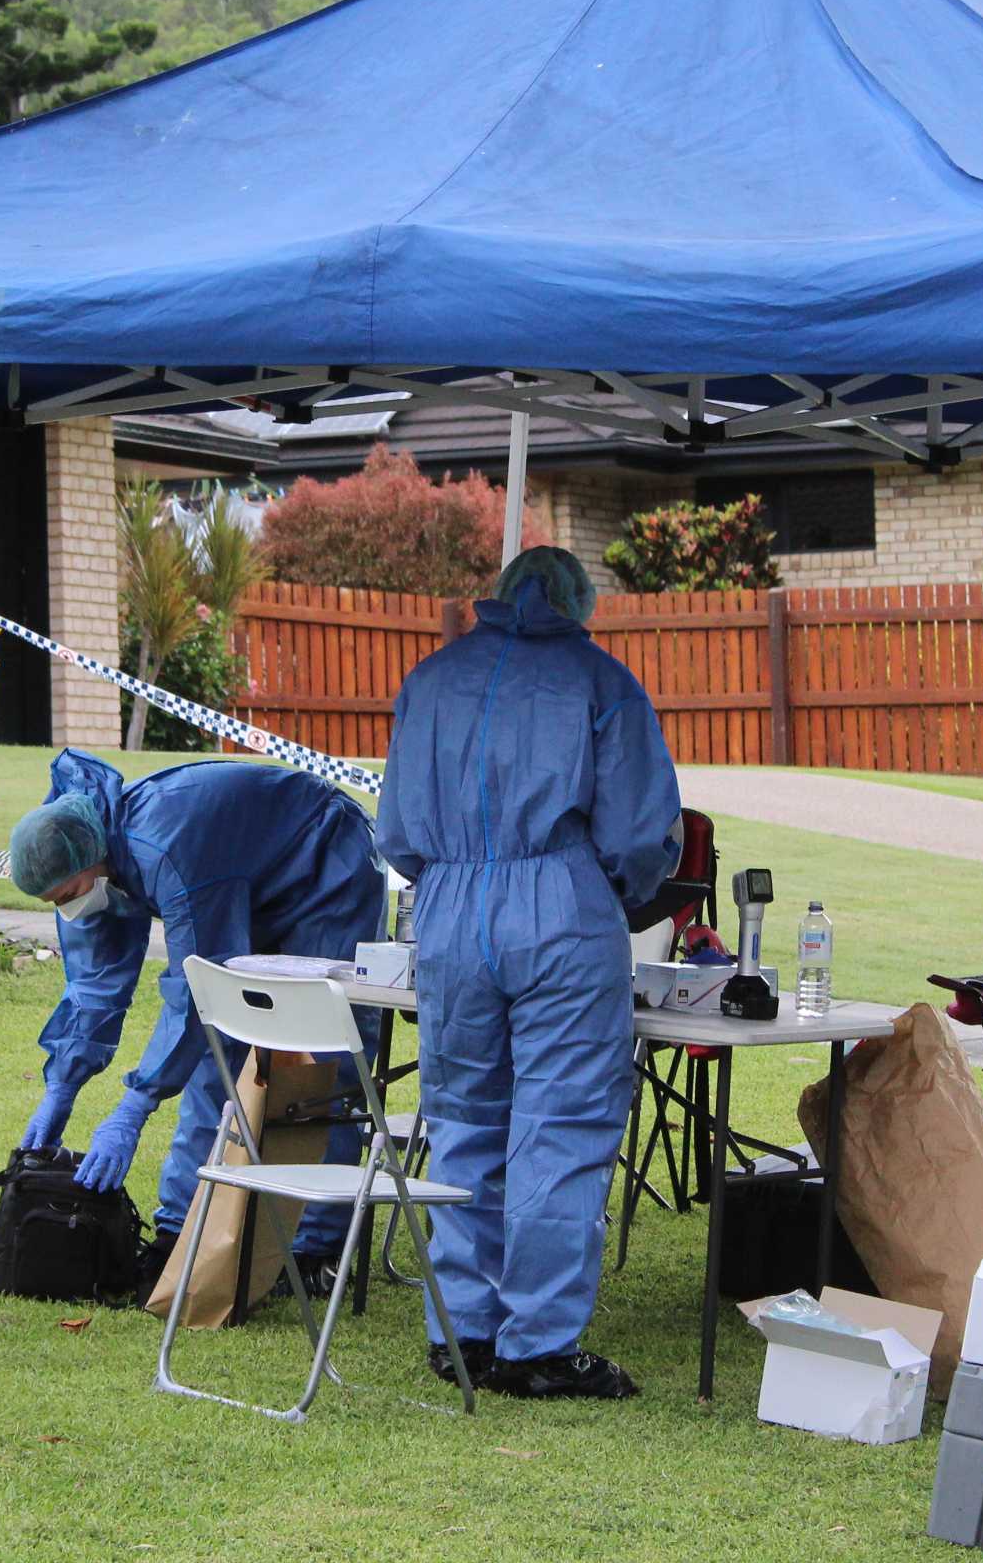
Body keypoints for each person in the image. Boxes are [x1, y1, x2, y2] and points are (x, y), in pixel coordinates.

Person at [378, 544, 679, 1400]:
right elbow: (638, 832)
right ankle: (537, 1344)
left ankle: (461, 1331)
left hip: (446, 909)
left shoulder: (431, 679)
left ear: (499, 595)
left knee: (464, 1120)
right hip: (559, 903)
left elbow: (396, 829)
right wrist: (605, 894)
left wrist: (449, 877)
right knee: (563, 1122)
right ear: (579, 603)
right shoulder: (599, 681)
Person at [12, 748, 387, 1292]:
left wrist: (134, 1106)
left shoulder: (166, 847)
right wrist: (61, 1086)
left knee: (323, 1058)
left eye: (68, 895)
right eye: (56, 904)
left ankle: (318, 1250)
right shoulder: (86, 865)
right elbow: (94, 986)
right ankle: (179, 1232)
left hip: (324, 862)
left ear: (90, 859)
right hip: (243, 880)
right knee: (217, 1065)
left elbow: (196, 998)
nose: (69, 909)